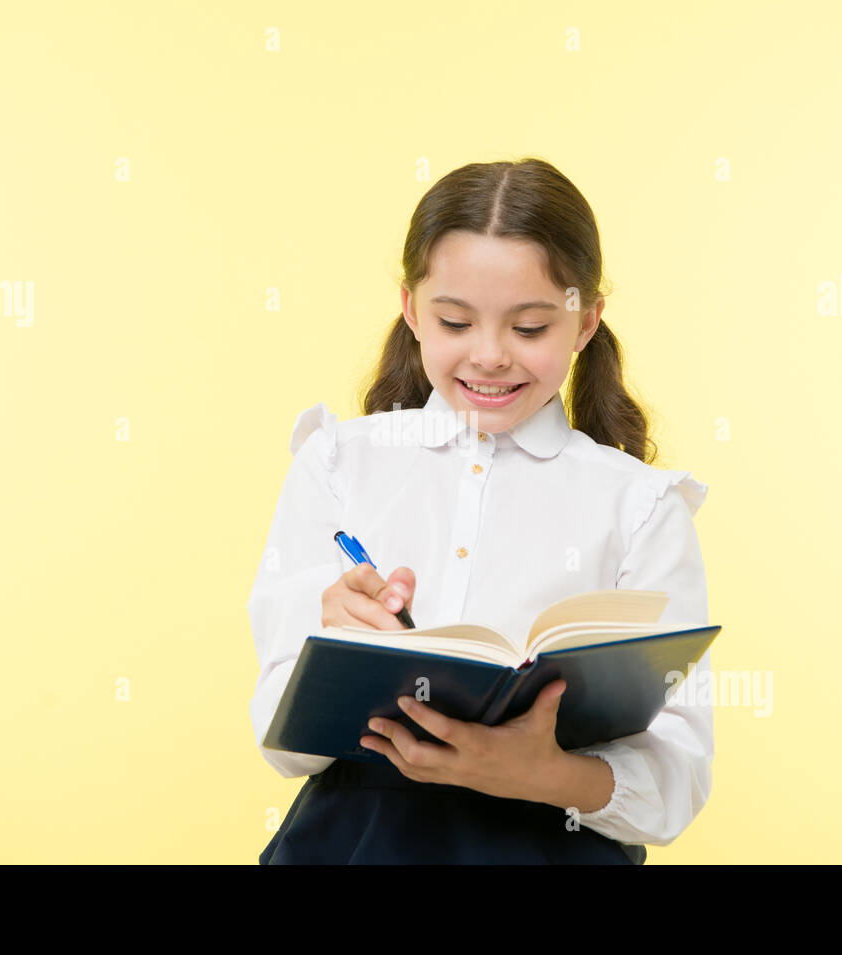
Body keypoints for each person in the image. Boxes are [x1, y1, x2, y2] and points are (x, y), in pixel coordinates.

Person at [248, 157, 713, 864]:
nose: (490, 356)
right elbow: (282, 746)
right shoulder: (339, 461)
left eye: (529, 328)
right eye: (456, 321)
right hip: (351, 843)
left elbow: (677, 774)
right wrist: (330, 632)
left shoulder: (641, 505)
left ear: (585, 321)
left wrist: (540, 773)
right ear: (411, 309)